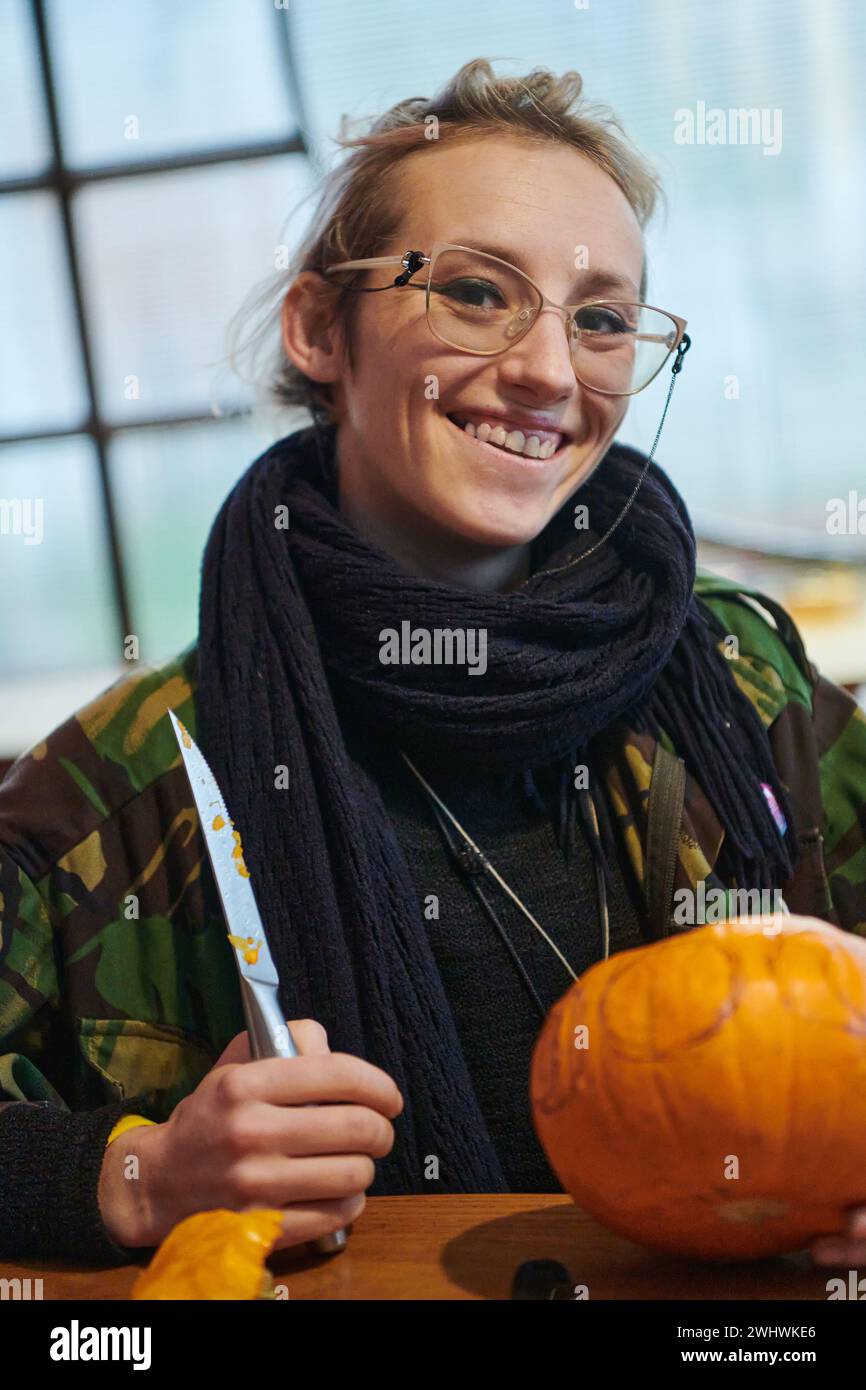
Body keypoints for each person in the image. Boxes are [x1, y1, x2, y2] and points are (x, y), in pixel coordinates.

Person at [1, 59, 865, 1270]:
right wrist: (134, 1174)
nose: (549, 373)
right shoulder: (124, 780)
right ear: (317, 330)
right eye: (472, 292)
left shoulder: (738, 678)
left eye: (602, 319)